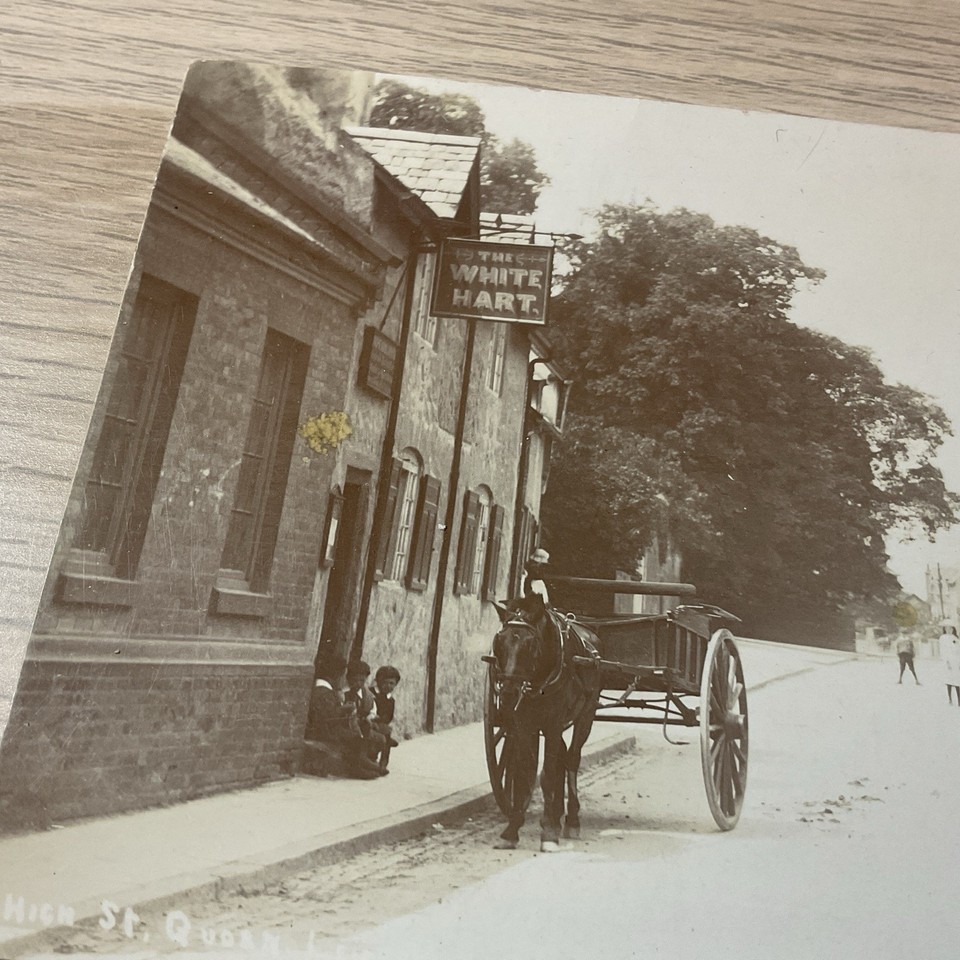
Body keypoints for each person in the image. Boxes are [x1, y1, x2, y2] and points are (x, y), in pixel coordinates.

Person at [305, 655, 382, 779]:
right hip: (322, 731)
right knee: (355, 738)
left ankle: (363, 763)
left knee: (357, 735)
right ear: (334, 675)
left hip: (326, 728)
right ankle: (356, 768)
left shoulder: (325, 690)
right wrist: (343, 709)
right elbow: (327, 716)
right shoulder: (323, 692)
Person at [342, 660, 388, 774]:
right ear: (348, 679)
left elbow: (372, 711)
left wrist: (370, 718)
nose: (358, 683)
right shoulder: (344, 693)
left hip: (364, 724)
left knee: (383, 735)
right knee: (362, 735)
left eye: (361, 680)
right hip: (350, 726)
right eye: (355, 680)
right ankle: (363, 762)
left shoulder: (367, 695)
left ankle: (374, 760)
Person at [370, 665, 401, 774]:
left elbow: (389, 716)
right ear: (378, 681)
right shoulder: (371, 694)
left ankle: (383, 762)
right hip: (370, 722)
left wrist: (383, 724)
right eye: (384, 682)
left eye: (391, 683)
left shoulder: (390, 700)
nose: (387, 686)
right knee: (383, 735)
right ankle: (372, 758)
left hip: (381, 724)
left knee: (386, 734)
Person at [939, 626, 960, 705]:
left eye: (951, 628)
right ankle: (950, 698)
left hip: (956, 660)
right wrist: (947, 662)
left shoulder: (955, 637)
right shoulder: (943, 637)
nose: (949, 630)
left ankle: (959, 700)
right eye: (947, 629)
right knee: (949, 680)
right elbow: (943, 650)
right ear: (944, 629)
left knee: (957, 680)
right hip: (948, 661)